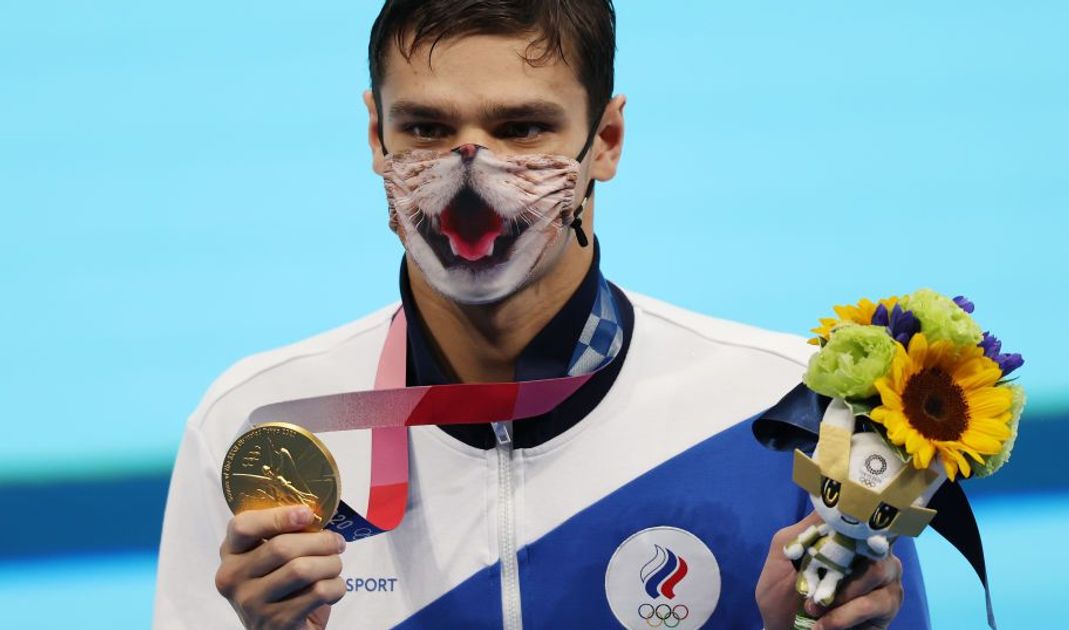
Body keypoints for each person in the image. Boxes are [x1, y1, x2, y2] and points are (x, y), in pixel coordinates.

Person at [153, 2, 928, 628]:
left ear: (608, 140)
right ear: (374, 135)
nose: (471, 168)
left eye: (522, 129)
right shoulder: (261, 430)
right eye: (426, 128)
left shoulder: (790, 412)